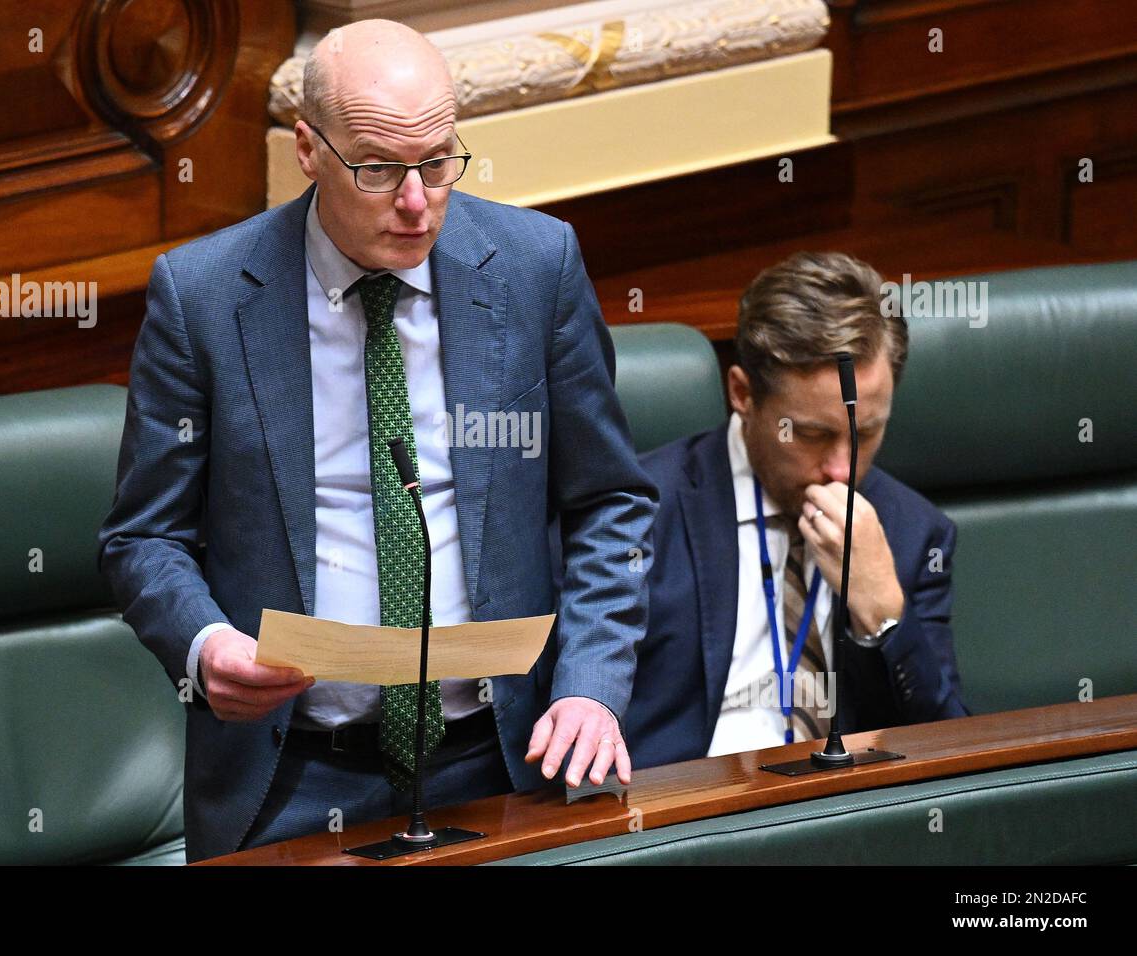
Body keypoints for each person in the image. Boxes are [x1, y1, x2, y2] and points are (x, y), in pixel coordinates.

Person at [97, 19, 656, 863]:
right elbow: (143, 537)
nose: (416, 201)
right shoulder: (204, 297)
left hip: (504, 756)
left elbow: (610, 498)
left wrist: (591, 688)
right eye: (379, 169)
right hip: (290, 775)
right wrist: (206, 645)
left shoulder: (536, 266)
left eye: (438, 162)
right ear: (308, 150)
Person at [623, 251, 968, 767]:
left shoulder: (913, 532)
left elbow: (947, 749)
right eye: (810, 434)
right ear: (742, 393)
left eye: (866, 433)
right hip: (679, 817)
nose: (842, 470)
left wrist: (885, 615)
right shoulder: (638, 512)